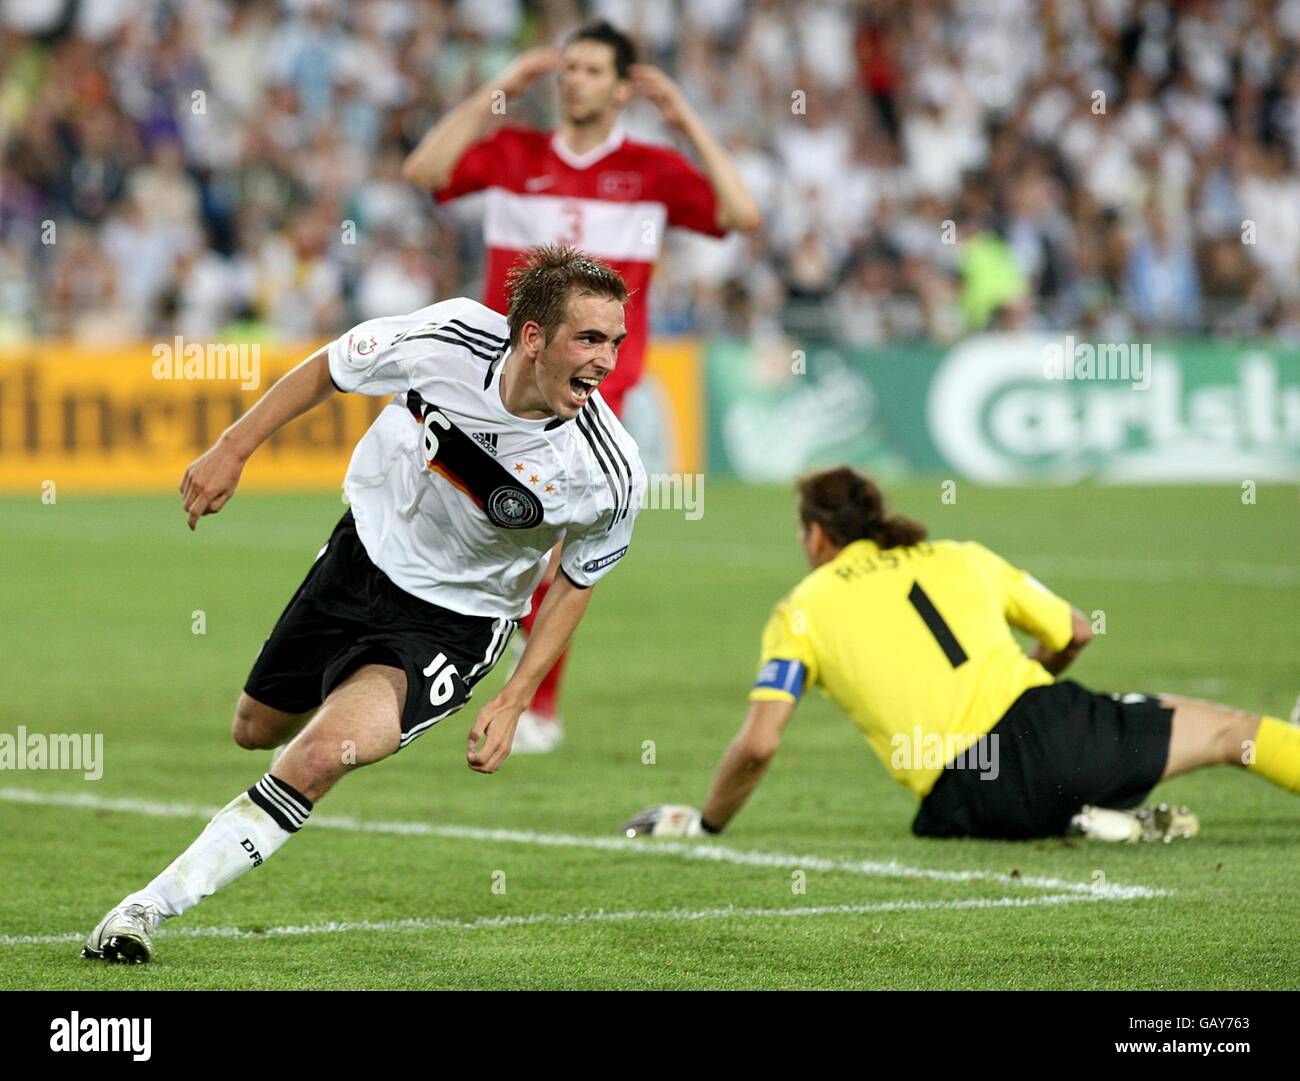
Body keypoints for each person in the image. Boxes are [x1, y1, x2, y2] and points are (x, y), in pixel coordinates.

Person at [83, 245, 647, 964]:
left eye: (615, 342)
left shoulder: (608, 465)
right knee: (254, 728)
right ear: (532, 337)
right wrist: (234, 446)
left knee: (320, 754)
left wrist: (518, 695)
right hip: (360, 558)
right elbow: (332, 366)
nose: (605, 362)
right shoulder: (448, 338)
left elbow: (579, 576)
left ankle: (142, 910)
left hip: (455, 623)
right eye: (589, 339)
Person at [403, 19, 761, 752]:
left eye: (593, 69)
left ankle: (535, 706)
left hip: (595, 394)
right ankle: (426, 673)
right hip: (495, 384)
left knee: (558, 546)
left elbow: (741, 214)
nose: (574, 79)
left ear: (623, 87)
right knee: (445, 524)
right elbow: (424, 173)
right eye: (568, 68)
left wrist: (685, 116)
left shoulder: (652, 169)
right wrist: (500, 89)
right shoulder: (513, 152)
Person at [624, 466, 1300, 843]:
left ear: (818, 534)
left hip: (962, 800)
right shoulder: (960, 556)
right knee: (1233, 735)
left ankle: (1081, 816)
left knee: (1039, 791)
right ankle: (1082, 804)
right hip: (1051, 732)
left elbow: (762, 741)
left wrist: (707, 821)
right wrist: (1037, 685)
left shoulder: (800, 607)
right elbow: (1075, 630)